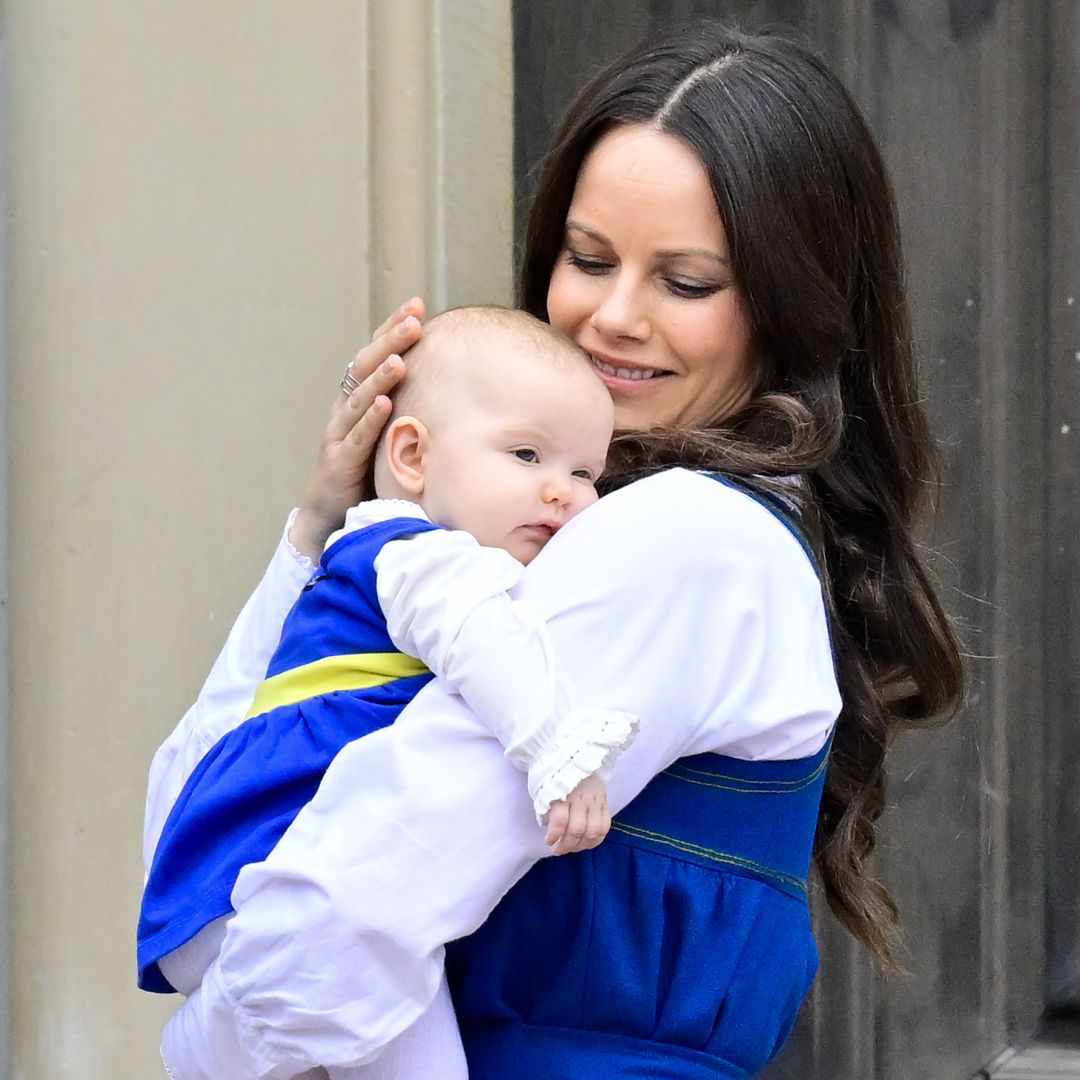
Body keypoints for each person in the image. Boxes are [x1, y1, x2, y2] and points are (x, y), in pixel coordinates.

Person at [144, 21, 965, 1080]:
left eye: (686, 282)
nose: (611, 318)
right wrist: (322, 537)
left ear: (793, 307)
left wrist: (191, 1049)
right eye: (587, 260)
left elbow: (321, 928)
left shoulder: (690, 539)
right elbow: (201, 840)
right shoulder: (546, 541)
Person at [138, 306, 637, 1000]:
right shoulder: (423, 555)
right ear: (410, 456)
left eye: (587, 473)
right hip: (267, 873)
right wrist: (562, 757)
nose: (563, 490)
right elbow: (482, 641)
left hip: (214, 888)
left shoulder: (364, 553)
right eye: (526, 455)